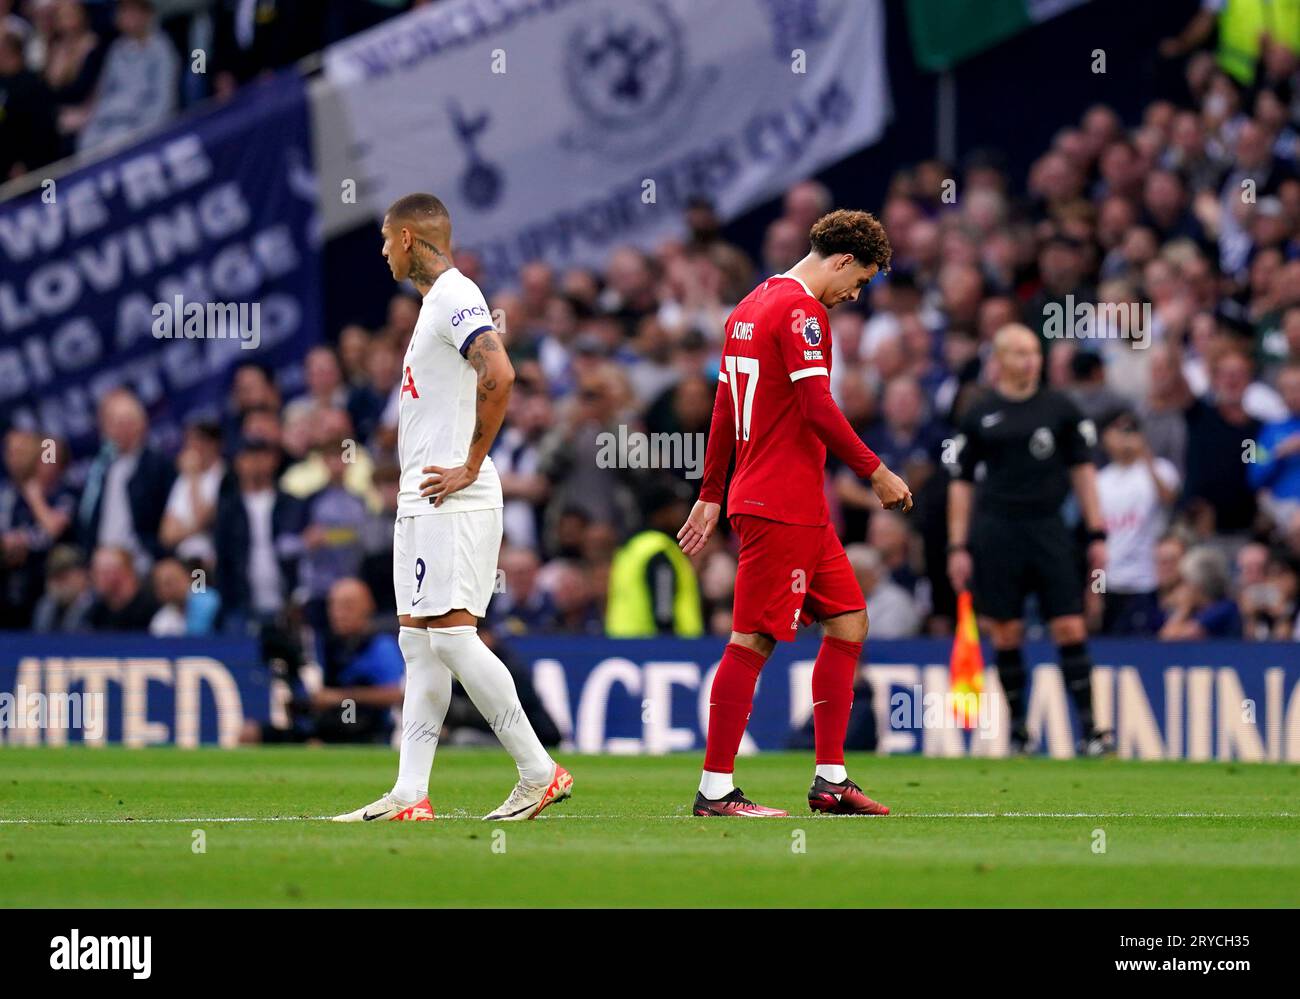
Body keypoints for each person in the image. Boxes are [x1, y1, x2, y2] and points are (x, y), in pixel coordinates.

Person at [333, 193, 571, 824]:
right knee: (419, 646)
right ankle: (411, 794)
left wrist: (469, 463)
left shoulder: (456, 294)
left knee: (454, 639)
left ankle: (539, 770)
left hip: (451, 494)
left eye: (386, 239)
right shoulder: (433, 304)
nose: (382, 251)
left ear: (408, 238)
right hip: (420, 497)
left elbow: (500, 371)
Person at [678, 208, 911, 817]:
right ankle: (715, 790)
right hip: (780, 503)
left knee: (849, 620)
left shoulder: (749, 306)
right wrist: (875, 470)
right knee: (752, 639)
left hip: (786, 502)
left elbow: (726, 410)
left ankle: (830, 780)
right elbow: (817, 407)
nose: (854, 294)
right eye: (858, 281)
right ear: (840, 260)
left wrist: (710, 493)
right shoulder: (802, 312)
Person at [946, 324, 1114, 756]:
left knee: (1069, 623)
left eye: (1034, 353)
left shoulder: (1061, 408)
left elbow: (1084, 472)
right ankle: (1019, 731)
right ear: (999, 360)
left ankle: (1092, 730)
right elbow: (961, 483)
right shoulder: (980, 413)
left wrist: (1096, 532)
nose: (1030, 361)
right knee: (1006, 631)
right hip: (997, 531)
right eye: (1020, 353)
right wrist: (957, 545)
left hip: (1048, 528)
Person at [1096, 409, 1180, 635]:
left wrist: (1146, 455)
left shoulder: (1160, 468)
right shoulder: (1100, 481)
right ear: (1105, 438)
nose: (1124, 437)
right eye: (1118, 431)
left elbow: (1168, 497)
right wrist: (1095, 589)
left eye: (1130, 430)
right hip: (1110, 582)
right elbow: (1096, 540)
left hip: (1147, 581)